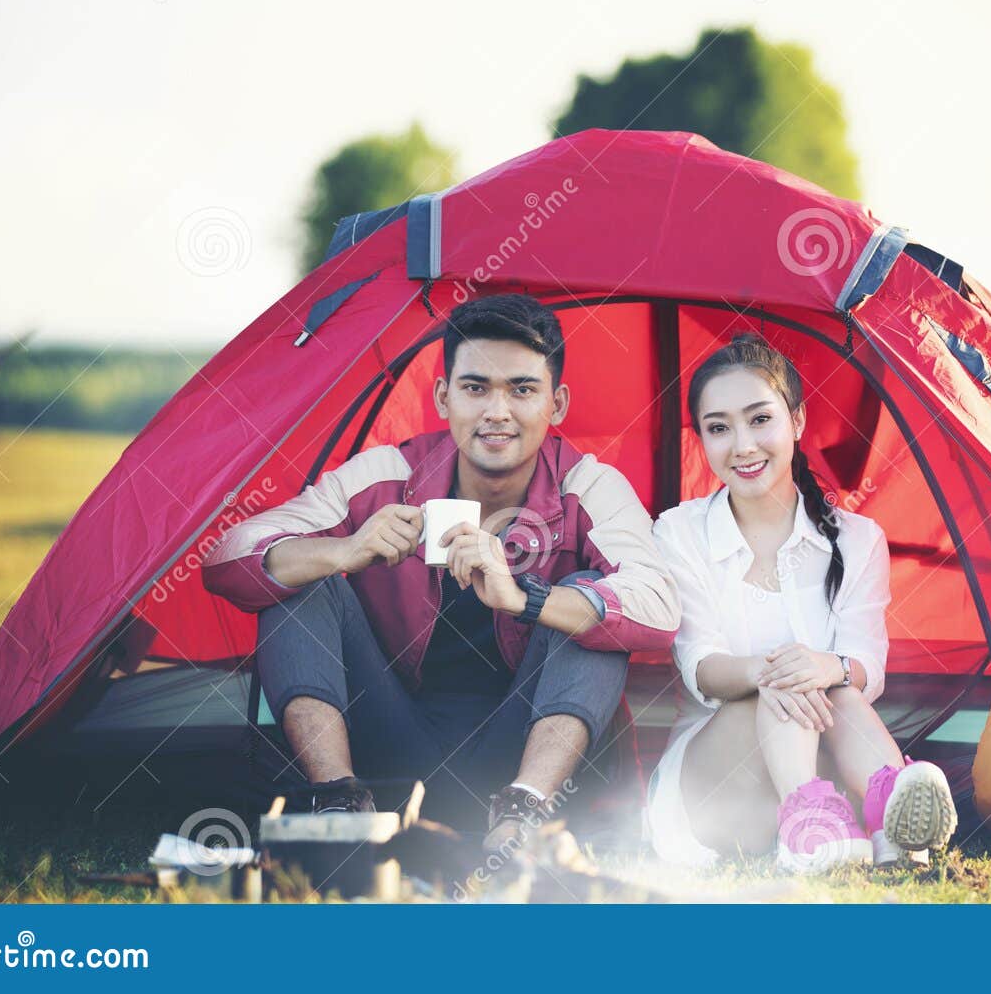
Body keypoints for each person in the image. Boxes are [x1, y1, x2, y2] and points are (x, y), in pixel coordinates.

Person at [202, 294, 679, 852]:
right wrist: (343, 551)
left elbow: (657, 605)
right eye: (476, 388)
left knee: (588, 602)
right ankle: (336, 805)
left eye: (522, 390)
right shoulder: (385, 473)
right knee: (304, 576)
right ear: (443, 397)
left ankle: (520, 819)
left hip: (525, 750)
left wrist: (526, 598)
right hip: (390, 747)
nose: (497, 411)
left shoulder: (588, 485)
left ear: (558, 403)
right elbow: (227, 558)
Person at [646, 333, 957, 872]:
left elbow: (866, 665)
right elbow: (701, 667)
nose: (742, 445)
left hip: (826, 756)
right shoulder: (679, 532)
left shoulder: (858, 539)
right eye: (718, 428)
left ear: (797, 420)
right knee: (790, 683)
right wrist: (783, 668)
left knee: (839, 688)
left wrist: (826, 666)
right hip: (720, 785)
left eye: (759, 419)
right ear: (701, 438)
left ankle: (884, 821)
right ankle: (813, 820)